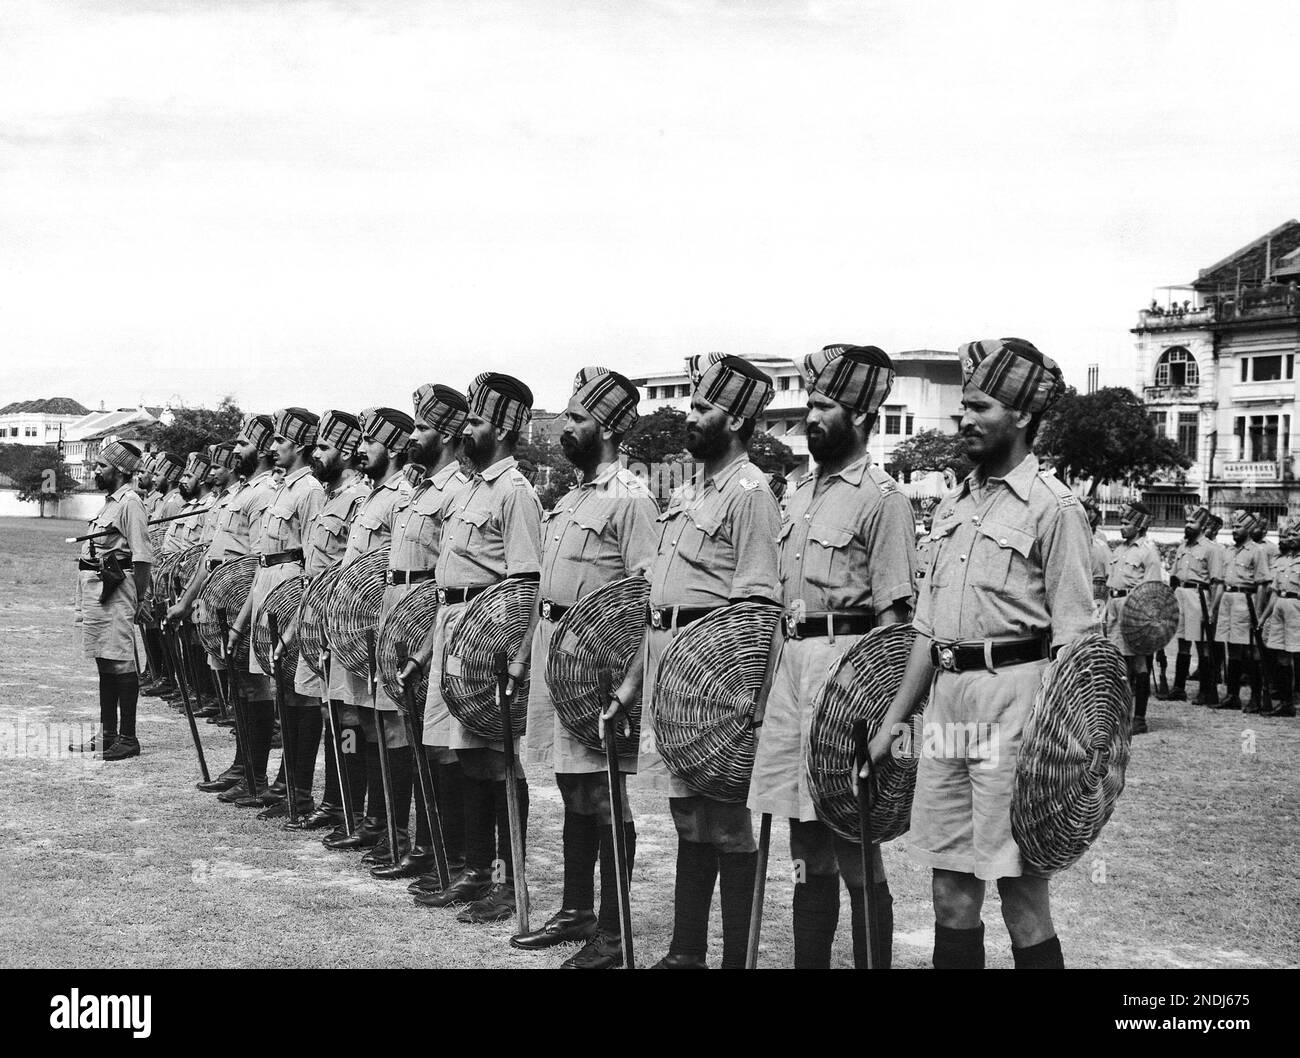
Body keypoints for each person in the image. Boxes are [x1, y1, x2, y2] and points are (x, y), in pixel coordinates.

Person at [870, 337, 1092, 970]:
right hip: (947, 707)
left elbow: (1077, 641)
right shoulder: (952, 505)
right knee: (949, 890)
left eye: (981, 407)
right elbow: (926, 631)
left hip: (1016, 704)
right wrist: (895, 722)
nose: (964, 419)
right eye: (963, 407)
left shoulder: (1056, 508)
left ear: (1021, 416)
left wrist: (1062, 738)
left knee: (1021, 892)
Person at [748, 344, 916, 968]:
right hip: (792, 672)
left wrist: (884, 719)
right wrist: (764, 693)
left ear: (864, 416)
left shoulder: (884, 499)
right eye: (811, 404)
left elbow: (896, 620)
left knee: (854, 842)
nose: (811, 417)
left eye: (826, 406)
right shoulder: (795, 493)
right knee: (802, 840)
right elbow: (776, 610)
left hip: (849, 677)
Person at [621, 352, 782, 969]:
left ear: (737, 420)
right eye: (692, 405)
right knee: (688, 815)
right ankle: (686, 952)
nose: (692, 418)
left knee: (730, 823)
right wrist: (636, 682)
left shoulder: (751, 494)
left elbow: (757, 604)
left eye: (704, 409)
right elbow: (658, 604)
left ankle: (735, 959)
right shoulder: (688, 492)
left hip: (717, 678)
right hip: (671, 671)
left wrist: (750, 699)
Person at [510, 367, 657, 968]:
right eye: (567, 416)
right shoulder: (570, 498)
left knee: (602, 793)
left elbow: (644, 594)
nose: (567, 427)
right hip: (555, 653)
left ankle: (615, 933)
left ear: (611, 427)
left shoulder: (634, 498)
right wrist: (524, 653)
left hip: (598, 668)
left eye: (577, 417)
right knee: (571, 786)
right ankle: (576, 911)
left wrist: (626, 680)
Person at [409, 373, 542, 925]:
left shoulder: (516, 492)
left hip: (488, 633)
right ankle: (475, 870)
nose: (467, 429)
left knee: (498, 758)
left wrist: (513, 654)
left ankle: (511, 883)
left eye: (478, 422)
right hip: (451, 624)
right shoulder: (470, 488)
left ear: (506, 430)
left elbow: (525, 577)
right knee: (463, 755)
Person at [371, 385, 471, 882]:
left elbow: (445, 571)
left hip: (434, 618)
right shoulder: (420, 489)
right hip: (399, 612)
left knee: (440, 744)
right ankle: (420, 841)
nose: (413, 437)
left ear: (448, 435)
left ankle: (441, 848)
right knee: (410, 734)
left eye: (423, 429)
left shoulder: (456, 491)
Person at [320, 407, 417, 864]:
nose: (360, 449)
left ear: (393, 448)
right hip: (354, 629)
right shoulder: (370, 496)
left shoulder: (402, 497)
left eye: (369, 441)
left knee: (391, 726)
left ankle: (390, 825)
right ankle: (363, 817)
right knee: (358, 722)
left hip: (383, 626)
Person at [225, 410, 324, 806]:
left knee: (295, 691)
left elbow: (314, 555)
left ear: (298, 446)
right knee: (277, 688)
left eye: (281, 440)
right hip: (267, 581)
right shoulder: (283, 488)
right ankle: (264, 780)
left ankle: (292, 786)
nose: (273, 447)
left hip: (289, 587)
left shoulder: (310, 490)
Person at [287, 411, 369, 835]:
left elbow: (355, 568)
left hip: (341, 620)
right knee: (329, 712)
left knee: (347, 718)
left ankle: (347, 803)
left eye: (323, 447)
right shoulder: (327, 496)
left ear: (346, 451)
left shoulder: (358, 498)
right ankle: (334, 800)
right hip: (315, 616)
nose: (315, 454)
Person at [70, 440, 154, 761]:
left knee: (120, 660)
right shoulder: (110, 503)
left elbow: (143, 557)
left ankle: (128, 737)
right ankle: (107, 733)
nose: (97, 470)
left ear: (119, 471)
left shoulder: (131, 503)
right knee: (104, 659)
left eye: (103, 466)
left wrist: (140, 597)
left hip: (117, 591)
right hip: (96, 590)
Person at [1102, 501, 1163, 734]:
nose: (1122, 527)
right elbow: (1110, 584)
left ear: (1139, 527)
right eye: (1123, 522)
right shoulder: (1119, 550)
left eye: (1127, 523)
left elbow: (1153, 588)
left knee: (1139, 663)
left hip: (1134, 607)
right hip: (1115, 607)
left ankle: (1139, 718)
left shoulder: (1148, 551)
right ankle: (1121, 714)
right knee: (1120, 662)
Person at [1211, 511, 1270, 712]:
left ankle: (1255, 697)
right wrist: (1214, 608)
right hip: (1228, 600)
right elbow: (1220, 582)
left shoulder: (1257, 551)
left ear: (1249, 529)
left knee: (1250, 650)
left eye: (1239, 527)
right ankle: (1232, 695)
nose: (1234, 530)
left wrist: (1259, 613)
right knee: (1232, 649)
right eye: (1233, 527)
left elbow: (1262, 584)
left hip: (1246, 601)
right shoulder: (1228, 551)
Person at [1168, 506, 1221, 704]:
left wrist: (1213, 609)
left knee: (1202, 644)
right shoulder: (1183, 546)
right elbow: (1174, 575)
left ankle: (1205, 690)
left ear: (1203, 525)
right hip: (1181, 595)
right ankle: (1179, 688)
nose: (1188, 525)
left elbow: (1216, 582)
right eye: (1187, 521)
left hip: (1199, 597)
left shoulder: (1211, 548)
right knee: (1182, 642)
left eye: (1193, 522)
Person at [1258, 518, 1300, 718]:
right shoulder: (1282, 561)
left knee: (1295, 654)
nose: (1290, 538)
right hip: (1280, 608)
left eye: (1295, 535)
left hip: (1297, 609)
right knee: (1282, 655)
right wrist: (1263, 617)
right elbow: (1274, 592)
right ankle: (1286, 702)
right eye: (1289, 534)